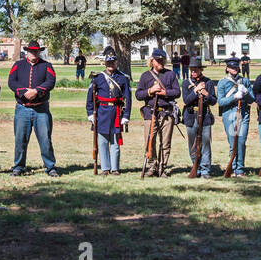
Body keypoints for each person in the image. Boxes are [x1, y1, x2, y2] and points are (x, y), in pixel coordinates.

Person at [8, 41, 59, 177]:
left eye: (36, 51)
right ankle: (18, 167)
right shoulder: (18, 65)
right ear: (27, 52)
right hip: (22, 109)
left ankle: (50, 167)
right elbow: (11, 81)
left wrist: (37, 91)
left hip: (41, 109)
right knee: (20, 139)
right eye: (31, 51)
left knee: (45, 140)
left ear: (39, 52)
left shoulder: (46, 65)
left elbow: (51, 81)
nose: (33, 53)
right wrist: (23, 92)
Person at [135, 48, 182, 177]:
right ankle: (152, 166)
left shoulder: (170, 74)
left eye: (162, 60)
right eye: (158, 60)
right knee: (149, 141)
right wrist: (150, 91)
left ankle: (162, 167)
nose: (161, 62)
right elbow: (138, 94)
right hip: (150, 113)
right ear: (152, 61)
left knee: (165, 143)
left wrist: (165, 92)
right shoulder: (145, 76)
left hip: (167, 113)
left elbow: (177, 92)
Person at [86, 47, 131, 175]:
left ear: (116, 63)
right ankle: (105, 168)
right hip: (101, 113)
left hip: (116, 113)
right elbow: (90, 98)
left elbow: (127, 98)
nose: (111, 65)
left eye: (113, 62)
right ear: (104, 63)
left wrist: (126, 115)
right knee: (102, 142)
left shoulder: (123, 78)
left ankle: (115, 168)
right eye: (108, 62)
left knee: (115, 143)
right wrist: (90, 114)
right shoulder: (98, 77)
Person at [216, 57, 252, 177]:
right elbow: (221, 102)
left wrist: (246, 93)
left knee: (241, 141)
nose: (234, 69)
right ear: (227, 68)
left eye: (236, 67)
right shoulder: (222, 82)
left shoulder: (245, 81)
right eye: (231, 67)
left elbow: (252, 99)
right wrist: (234, 97)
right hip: (230, 114)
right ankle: (233, 167)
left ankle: (240, 169)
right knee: (233, 142)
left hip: (243, 112)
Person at [182, 57, 217, 178]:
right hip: (191, 116)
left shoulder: (208, 82)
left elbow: (213, 101)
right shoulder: (186, 83)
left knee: (205, 143)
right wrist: (196, 91)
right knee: (192, 143)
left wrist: (206, 94)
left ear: (201, 69)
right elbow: (186, 100)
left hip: (205, 116)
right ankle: (195, 166)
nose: (193, 72)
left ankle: (205, 169)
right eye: (191, 70)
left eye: (195, 69)